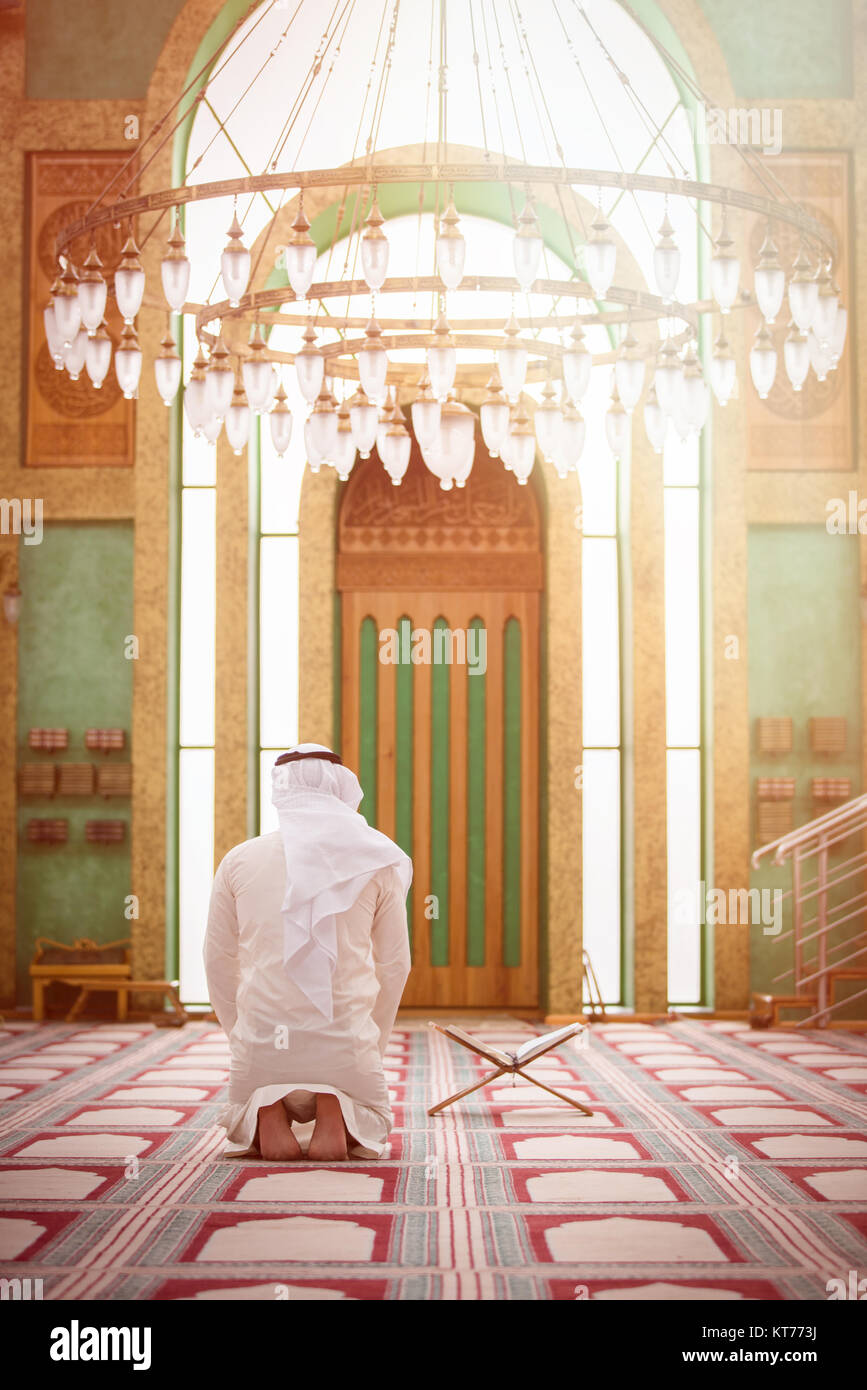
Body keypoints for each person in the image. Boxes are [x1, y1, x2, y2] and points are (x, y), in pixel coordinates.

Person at [203, 743, 413, 1161]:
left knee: (262, 1059)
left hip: (262, 1045)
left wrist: (241, 1034)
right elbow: (394, 965)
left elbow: (217, 959)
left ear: (279, 792)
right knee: (348, 1064)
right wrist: (371, 1040)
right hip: (345, 1044)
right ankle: (335, 1106)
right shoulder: (379, 860)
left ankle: (267, 1109)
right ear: (341, 789)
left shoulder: (239, 859)